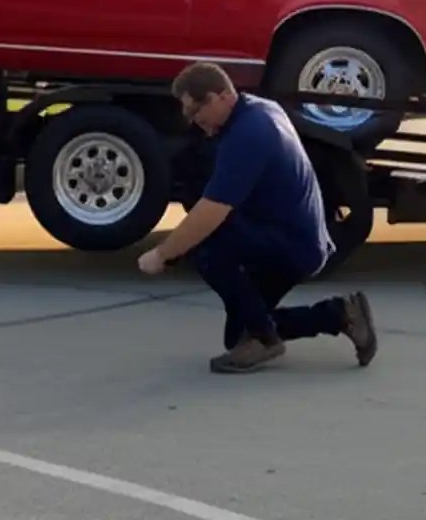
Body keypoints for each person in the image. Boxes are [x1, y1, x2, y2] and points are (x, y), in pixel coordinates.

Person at [138, 61, 378, 374]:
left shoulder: (249, 133)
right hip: (289, 237)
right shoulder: (259, 110)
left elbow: (212, 211)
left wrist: (163, 253)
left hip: (291, 245)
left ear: (221, 95)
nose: (195, 122)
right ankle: (340, 314)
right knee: (239, 334)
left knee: (201, 244)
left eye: (197, 111)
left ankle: (265, 339)